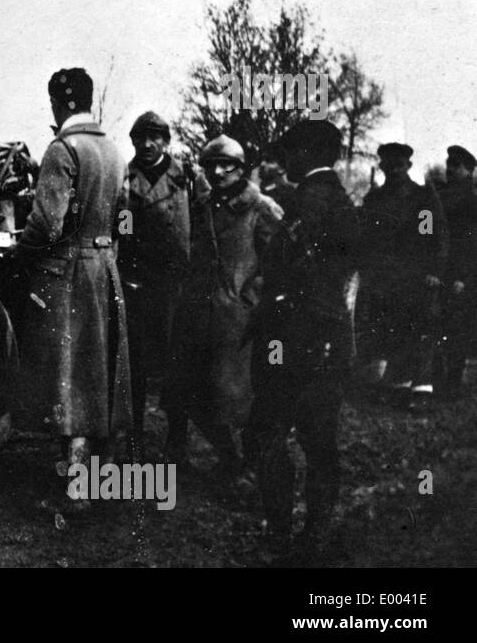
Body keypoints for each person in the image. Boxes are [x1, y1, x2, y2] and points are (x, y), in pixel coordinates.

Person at [248, 119, 361, 562]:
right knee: (319, 441)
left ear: (308, 153)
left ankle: (281, 535)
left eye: (292, 150)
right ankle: (312, 537)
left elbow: (289, 266)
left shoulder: (306, 200)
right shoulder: (340, 200)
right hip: (328, 337)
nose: (285, 158)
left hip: (296, 336)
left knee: (269, 433)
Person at [15, 67, 131, 497]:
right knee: (94, 375)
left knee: (68, 376)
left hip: (66, 273)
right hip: (104, 270)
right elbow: (123, 218)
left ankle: (76, 488)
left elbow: (46, 224)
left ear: (58, 104)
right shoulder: (114, 151)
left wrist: (21, 255)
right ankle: (89, 479)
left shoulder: (62, 150)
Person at [163, 135, 283, 479]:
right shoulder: (200, 206)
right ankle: (228, 455)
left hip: (238, 321)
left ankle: (247, 464)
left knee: (236, 398)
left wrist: (251, 299)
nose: (218, 172)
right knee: (190, 392)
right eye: (211, 165)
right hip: (197, 313)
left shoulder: (262, 208)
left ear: (241, 168)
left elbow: (279, 266)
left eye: (226, 165)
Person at [117, 110, 204, 456]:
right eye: (140, 138)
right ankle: (134, 437)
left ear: (167, 142)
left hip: (175, 284)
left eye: (155, 138)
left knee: (176, 364)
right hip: (139, 281)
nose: (147, 144)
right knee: (134, 364)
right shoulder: (125, 178)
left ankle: (177, 438)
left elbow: (201, 223)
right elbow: (122, 226)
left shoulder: (187, 177)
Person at [360, 142, 448, 395]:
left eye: (400, 165)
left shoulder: (422, 198)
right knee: (388, 329)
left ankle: (420, 387)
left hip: (415, 275)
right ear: (382, 166)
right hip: (383, 277)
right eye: (389, 165)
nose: (395, 170)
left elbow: (433, 236)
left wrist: (434, 270)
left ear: (408, 166)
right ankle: (395, 384)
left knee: (416, 329)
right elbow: (366, 240)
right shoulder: (373, 199)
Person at [436, 144, 477, 399]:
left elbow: (473, 245)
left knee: (457, 327)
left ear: (470, 171)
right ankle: (436, 379)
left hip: (460, 274)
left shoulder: (473, 203)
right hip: (437, 270)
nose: (450, 170)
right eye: (449, 164)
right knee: (436, 324)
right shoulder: (438, 198)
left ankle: (452, 383)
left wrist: (464, 277)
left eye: (457, 166)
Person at [258, 144, 298, 214]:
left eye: (269, 161)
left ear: (281, 169)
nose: (262, 164)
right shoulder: (263, 189)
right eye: (262, 160)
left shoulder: (288, 194)